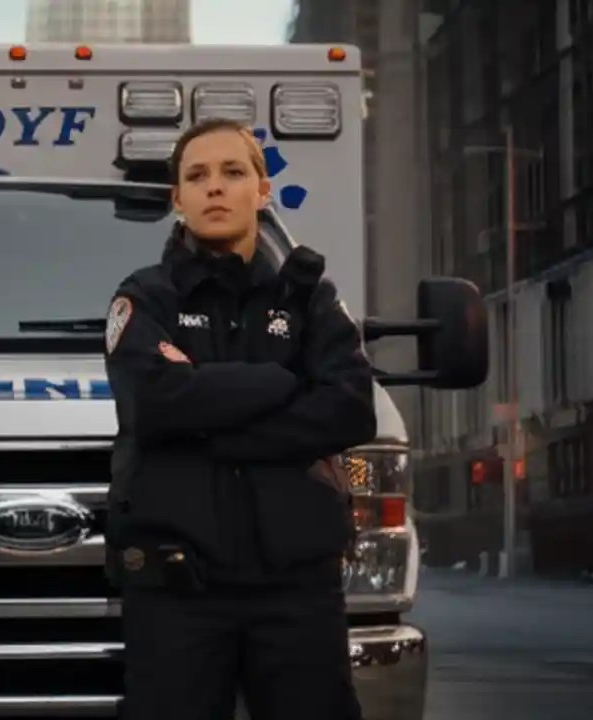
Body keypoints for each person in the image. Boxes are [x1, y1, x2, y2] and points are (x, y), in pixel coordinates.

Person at [103, 117, 378, 720]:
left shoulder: (311, 300)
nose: (215, 187)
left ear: (263, 189)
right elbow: (150, 403)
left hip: (297, 586)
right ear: (176, 197)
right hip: (178, 589)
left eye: (233, 172)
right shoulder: (146, 296)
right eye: (197, 176)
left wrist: (209, 422)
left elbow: (352, 406)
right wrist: (282, 382)